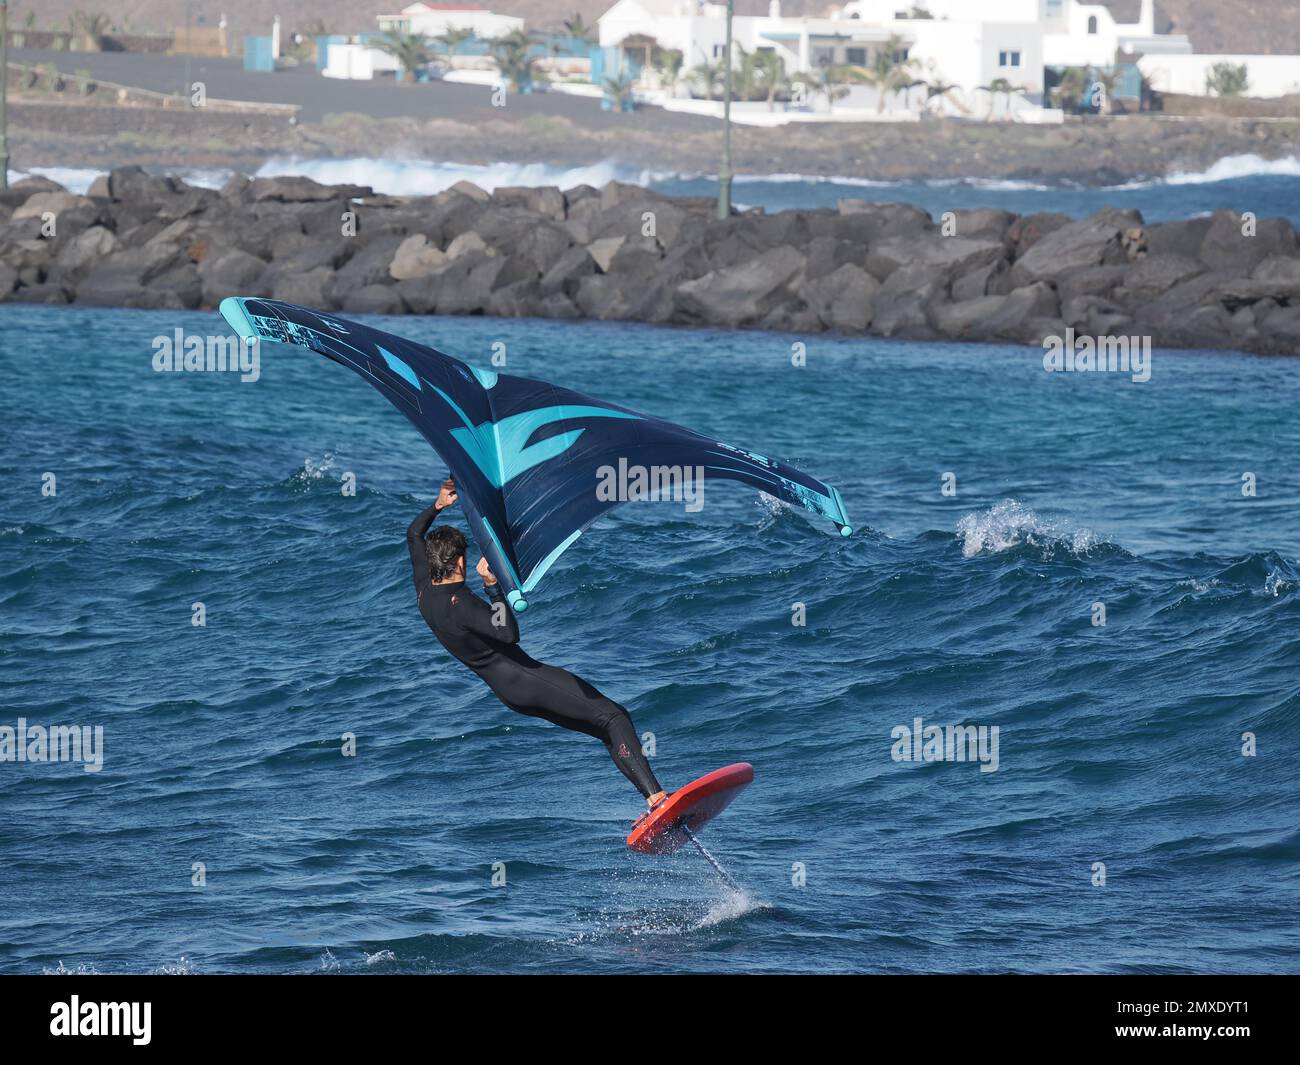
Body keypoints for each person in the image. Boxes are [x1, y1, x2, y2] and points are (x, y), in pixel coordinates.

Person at [407, 478, 667, 808]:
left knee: (606, 728)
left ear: (431, 561)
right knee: (614, 717)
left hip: (509, 693)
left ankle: (652, 801)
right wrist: (492, 585)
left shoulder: (424, 591)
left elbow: (413, 534)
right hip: (527, 678)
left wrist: (438, 506)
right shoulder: (462, 604)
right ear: (459, 563)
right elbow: (507, 634)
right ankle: (658, 799)